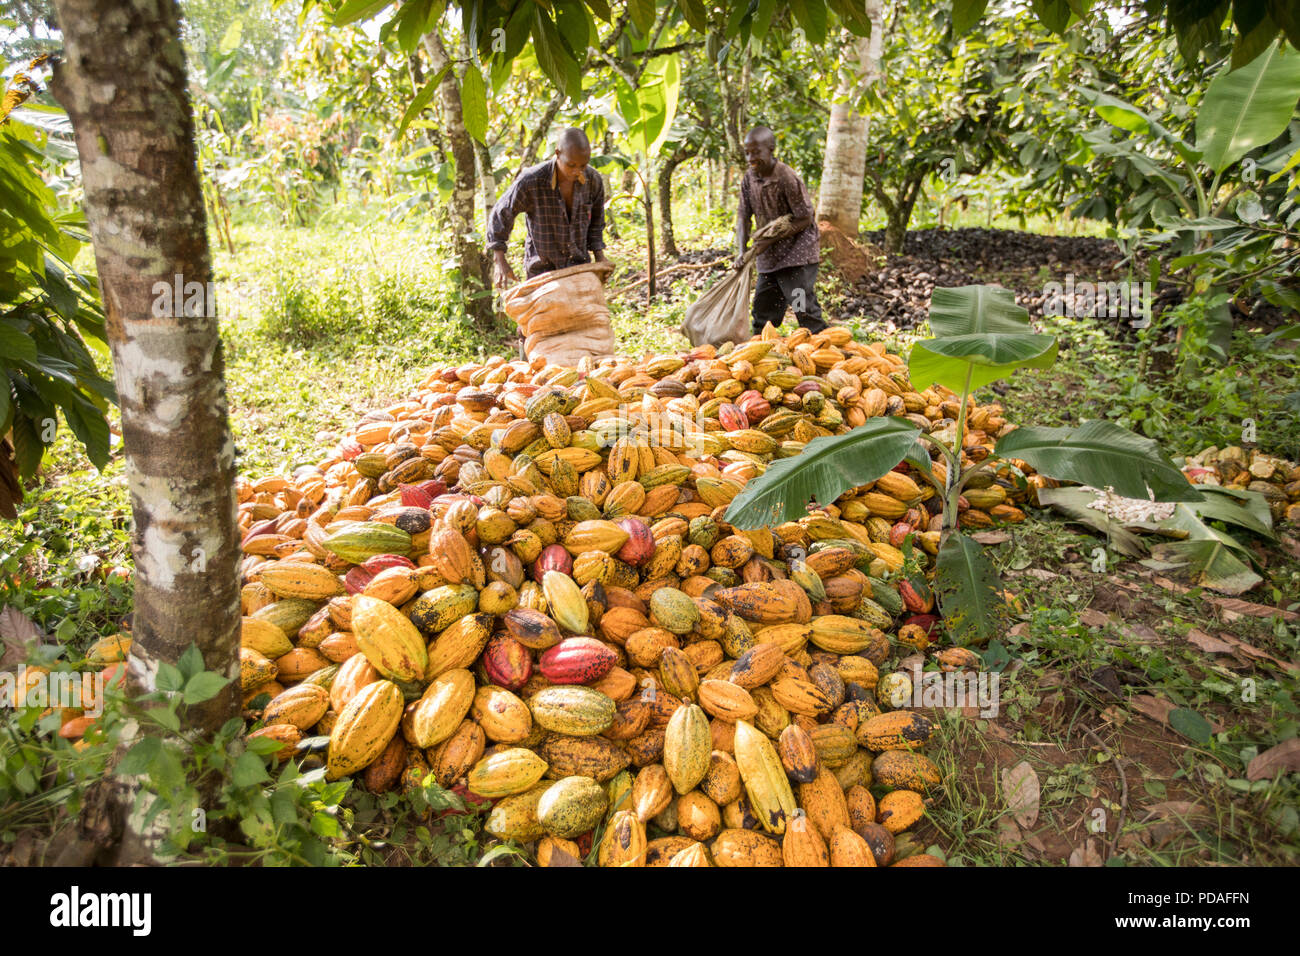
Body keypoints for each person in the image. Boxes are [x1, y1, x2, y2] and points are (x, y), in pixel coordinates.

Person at [486, 128, 611, 288]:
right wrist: (500, 260)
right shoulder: (532, 180)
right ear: (558, 153)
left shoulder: (593, 181)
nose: (576, 171)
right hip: (541, 273)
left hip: (579, 270)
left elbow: (596, 224)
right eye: (571, 165)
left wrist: (600, 258)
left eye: (583, 165)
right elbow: (501, 214)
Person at [735, 126, 826, 335]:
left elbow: (805, 218)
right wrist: (742, 251)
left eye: (756, 152)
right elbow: (742, 216)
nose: (751, 158)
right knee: (762, 313)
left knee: (802, 307)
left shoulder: (786, 177)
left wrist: (770, 239)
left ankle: (824, 350)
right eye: (747, 152)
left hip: (797, 257)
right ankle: (761, 352)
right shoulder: (749, 178)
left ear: (771, 149)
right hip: (769, 258)